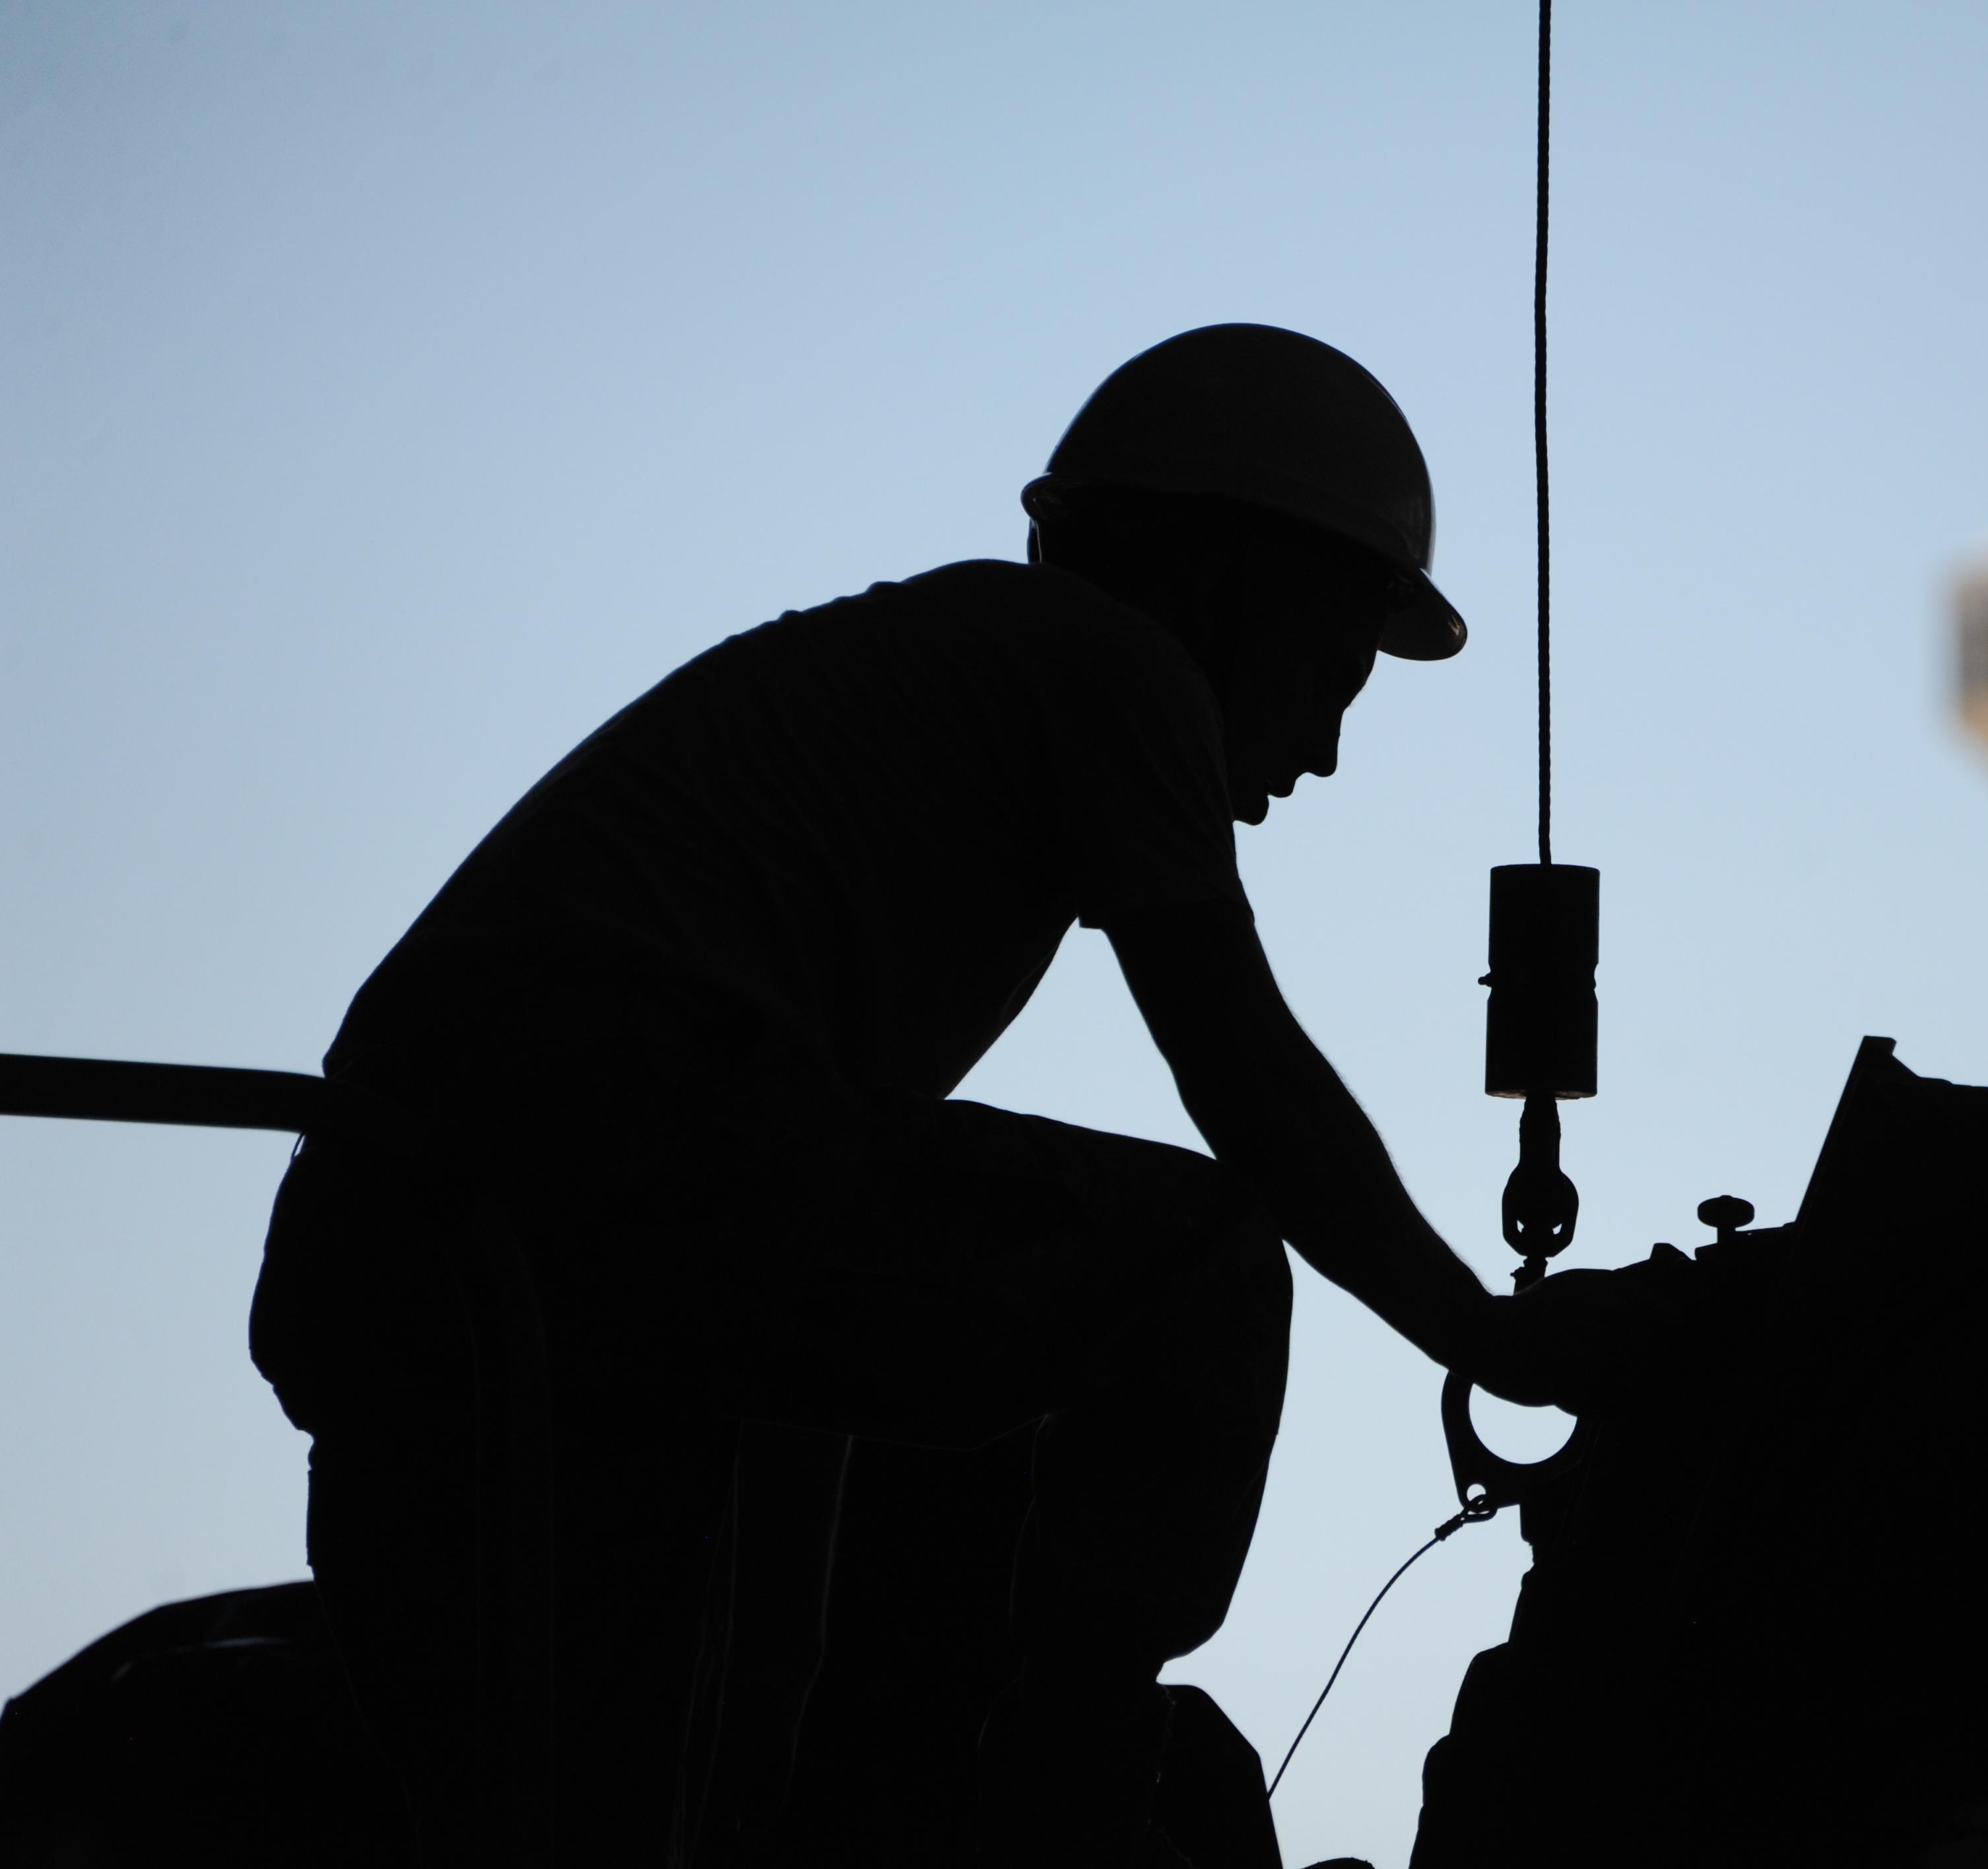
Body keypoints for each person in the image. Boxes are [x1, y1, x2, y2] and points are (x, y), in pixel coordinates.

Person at [248, 323, 1599, 1866]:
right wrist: (1480, 1331)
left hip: (414, 1230)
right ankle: (1066, 1816)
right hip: (577, 1136)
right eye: (1332, 671)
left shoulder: (914, 714)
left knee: (678, 1755)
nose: (1329, 748)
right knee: (1199, 1264)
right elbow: (1252, 1085)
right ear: (1239, 584)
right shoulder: (1110, 665)